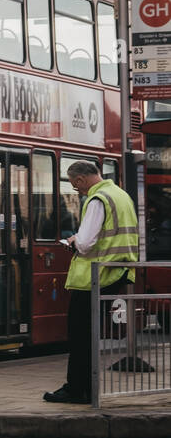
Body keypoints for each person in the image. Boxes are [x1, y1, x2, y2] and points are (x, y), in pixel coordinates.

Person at [43, 161, 138, 404]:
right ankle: (85, 389)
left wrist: (74, 241)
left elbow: (86, 244)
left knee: (79, 335)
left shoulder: (97, 200)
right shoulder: (121, 195)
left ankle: (76, 389)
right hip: (117, 271)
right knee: (90, 335)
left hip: (95, 277)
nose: (78, 191)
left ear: (81, 180)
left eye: (76, 187)